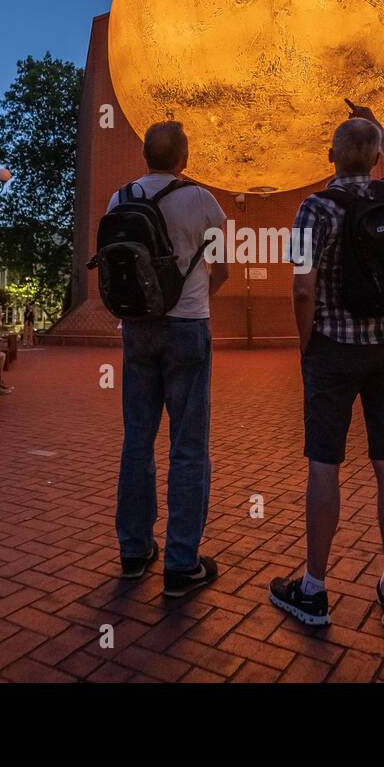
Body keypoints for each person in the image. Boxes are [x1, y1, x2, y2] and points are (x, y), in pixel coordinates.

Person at [269, 100, 384, 632]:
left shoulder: (315, 208)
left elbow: (302, 287)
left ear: (331, 156)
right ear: (374, 157)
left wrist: (306, 344)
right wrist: (379, 126)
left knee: (324, 463)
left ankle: (313, 589)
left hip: (333, 347)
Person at [112, 120, 229, 597]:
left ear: (145, 155)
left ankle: (135, 551)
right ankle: (182, 564)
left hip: (137, 330)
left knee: (137, 441)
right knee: (188, 445)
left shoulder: (119, 199)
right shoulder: (203, 201)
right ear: (185, 156)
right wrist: (196, 296)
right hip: (187, 329)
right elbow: (222, 269)